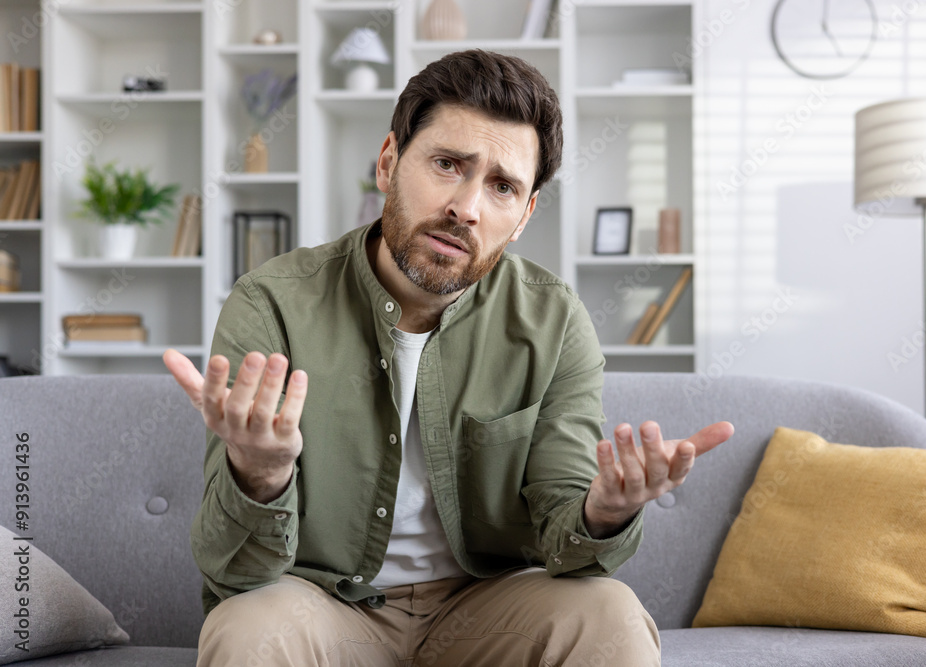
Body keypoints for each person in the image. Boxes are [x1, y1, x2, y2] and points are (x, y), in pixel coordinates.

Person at [164, 49, 733, 666]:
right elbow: (235, 570)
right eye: (447, 164)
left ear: (523, 216)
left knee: (610, 615)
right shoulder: (271, 302)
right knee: (246, 627)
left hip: (486, 609)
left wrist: (604, 512)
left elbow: (566, 533)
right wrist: (260, 475)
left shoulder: (555, 321)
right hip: (324, 605)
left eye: (502, 186)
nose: (467, 207)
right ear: (389, 162)